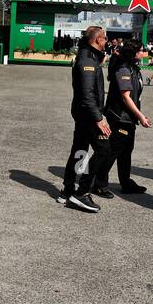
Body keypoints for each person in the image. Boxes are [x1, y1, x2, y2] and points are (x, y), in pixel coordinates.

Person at [58, 26, 112, 212]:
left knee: (80, 149)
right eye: (104, 38)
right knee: (104, 149)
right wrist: (98, 118)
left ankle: (68, 189)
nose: (106, 41)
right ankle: (81, 193)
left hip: (83, 113)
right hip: (88, 114)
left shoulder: (89, 56)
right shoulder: (87, 60)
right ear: (97, 39)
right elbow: (87, 93)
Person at [98, 39, 152, 195]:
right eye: (141, 50)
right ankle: (98, 182)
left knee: (126, 151)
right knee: (113, 151)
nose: (144, 52)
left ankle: (126, 182)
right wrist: (141, 116)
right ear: (134, 52)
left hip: (128, 117)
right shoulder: (124, 69)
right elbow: (125, 97)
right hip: (120, 117)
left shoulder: (132, 68)